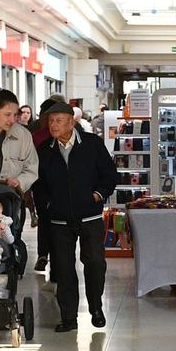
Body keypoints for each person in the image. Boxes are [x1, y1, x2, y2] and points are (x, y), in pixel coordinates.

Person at [34, 97, 118, 332]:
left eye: (59, 120)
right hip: (59, 219)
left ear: (71, 122)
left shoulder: (92, 144)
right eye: (51, 121)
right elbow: (38, 183)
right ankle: (68, 317)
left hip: (90, 217)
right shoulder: (45, 150)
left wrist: (97, 195)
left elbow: (109, 175)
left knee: (95, 263)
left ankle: (96, 308)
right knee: (63, 268)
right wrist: (48, 204)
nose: (53, 125)